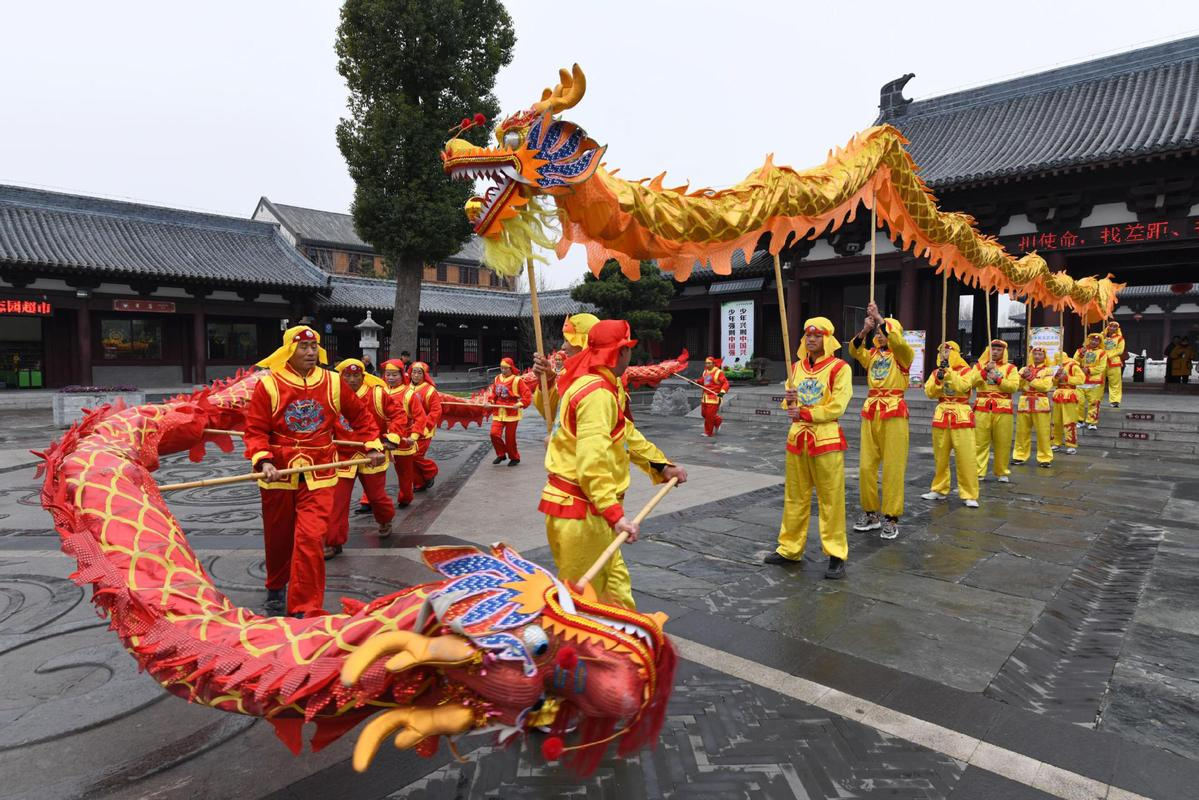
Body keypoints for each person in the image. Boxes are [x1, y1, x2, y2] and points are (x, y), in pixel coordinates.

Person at [539, 319, 687, 608]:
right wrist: (614, 514)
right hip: (583, 514)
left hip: (592, 514)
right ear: (620, 352)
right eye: (629, 349)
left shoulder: (600, 385)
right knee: (583, 611)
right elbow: (591, 462)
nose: (631, 355)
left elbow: (626, 435)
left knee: (618, 598)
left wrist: (661, 465)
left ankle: (626, 651)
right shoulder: (596, 393)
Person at [243, 326, 386, 617]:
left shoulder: (333, 382)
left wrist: (372, 444)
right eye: (302, 347)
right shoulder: (268, 385)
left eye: (313, 347)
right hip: (279, 472)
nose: (310, 352)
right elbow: (255, 430)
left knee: (311, 538)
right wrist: (263, 460)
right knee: (279, 537)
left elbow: (361, 416)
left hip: (321, 471)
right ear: (288, 350)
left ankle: (304, 605)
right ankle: (276, 584)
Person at [766, 318, 852, 579]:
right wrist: (788, 400)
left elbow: (838, 405)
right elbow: (788, 404)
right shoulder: (796, 368)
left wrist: (803, 411)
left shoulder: (840, 368)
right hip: (797, 439)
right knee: (795, 496)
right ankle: (789, 548)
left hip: (825, 440)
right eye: (807, 335)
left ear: (828, 339)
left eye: (817, 335)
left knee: (831, 499)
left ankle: (836, 553)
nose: (811, 339)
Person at [326, 359, 404, 559]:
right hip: (343, 456)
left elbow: (398, 414)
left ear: (363, 376)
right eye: (347, 376)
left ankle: (385, 520)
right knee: (337, 501)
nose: (352, 380)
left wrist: (392, 438)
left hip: (373, 455)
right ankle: (333, 541)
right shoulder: (331, 394)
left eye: (356, 376)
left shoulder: (377, 394)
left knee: (377, 498)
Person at [847, 302, 913, 540]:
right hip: (871, 410)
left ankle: (891, 517)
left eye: (883, 332)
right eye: (878, 333)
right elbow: (855, 351)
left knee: (893, 467)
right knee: (866, 466)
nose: (880, 335)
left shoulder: (904, 355)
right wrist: (865, 330)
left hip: (894, 411)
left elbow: (898, 343)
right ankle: (871, 513)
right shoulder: (872, 355)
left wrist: (879, 318)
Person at [922, 341, 982, 508]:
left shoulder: (967, 371)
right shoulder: (936, 372)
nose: (943, 355)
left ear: (955, 353)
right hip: (942, 414)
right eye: (941, 352)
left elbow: (963, 387)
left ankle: (969, 493)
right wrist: (938, 380)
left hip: (961, 414)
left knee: (966, 457)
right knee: (940, 456)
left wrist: (948, 373)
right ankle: (939, 488)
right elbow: (929, 393)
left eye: (946, 352)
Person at [531, 313, 600, 422]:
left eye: (568, 340)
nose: (563, 347)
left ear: (585, 342)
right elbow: (553, 414)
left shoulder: (603, 379)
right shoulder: (566, 375)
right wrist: (548, 380)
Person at [380, 358, 426, 507]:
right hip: (381, 438)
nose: (391, 378)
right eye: (388, 374)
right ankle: (367, 501)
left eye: (394, 375)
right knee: (372, 471)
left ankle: (405, 497)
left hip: (403, 438)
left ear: (402, 375)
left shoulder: (409, 394)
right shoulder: (379, 391)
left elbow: (420, 417)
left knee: (404, 473)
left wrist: (414, 436)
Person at [973, 339, 1020, 484]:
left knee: (1003, 442)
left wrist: (998, 379)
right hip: (982, 407)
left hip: (1003, 408)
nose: (995, 352)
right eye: (993, 349)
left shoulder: (1011, 368)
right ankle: (978, 471)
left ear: (1004, 351)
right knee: (980, 442)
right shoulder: (979, 366)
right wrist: (984, 371)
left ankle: (1002, 471)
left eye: (999, 350)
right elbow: (971, 382)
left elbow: (1013, 387)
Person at [1012, 346, 1055, 468]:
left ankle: (1045, 458)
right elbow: (1017, 386)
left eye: (1040, 355)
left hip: (1040, 402)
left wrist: (1030, 378)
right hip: (1025, 402)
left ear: (1044, 357)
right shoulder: (1024, 369)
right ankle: (1019, 455)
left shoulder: (1048, 371)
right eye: (1035, 354)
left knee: (1043, 432)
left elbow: (1045, 387)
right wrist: (1021, 377)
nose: (1037, 356)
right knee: (1021, 432)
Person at [487, 357, 532, 465]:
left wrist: (520, 404)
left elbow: (527, 395)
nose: (503, 370)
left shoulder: (517, 380)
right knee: (494, 434)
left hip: (512, 412)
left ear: (510, 368)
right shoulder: (497, 378)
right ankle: (501, 454)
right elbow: (493, 393)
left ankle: (514, 457)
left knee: (510, 438)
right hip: (498, 411)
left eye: (505, 368)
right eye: (501, 368)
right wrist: (490, 401)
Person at [409, 361, 442, 491]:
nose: (416, 375)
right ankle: (418, 483)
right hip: (408, 429)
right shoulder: (406, 388)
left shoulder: (429, 390)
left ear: (424, 374)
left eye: (419, 372)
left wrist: (425, 424)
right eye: (414, 372)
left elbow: (436, 410)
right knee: (409, 458)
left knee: (415, 456)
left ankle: (431, 470)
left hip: (424, 429)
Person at [1051, 350, 1084, 455]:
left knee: (1069, 420)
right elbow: (1053, 382)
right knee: (1056, 421)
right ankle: (1056, 442)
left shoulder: (1073, 366)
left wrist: (1067, 378)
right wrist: (1056, 377)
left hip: (1069, 394)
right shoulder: (1056, 367)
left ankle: (1071, 445)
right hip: (1058, 394)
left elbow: (1081, 379)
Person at [1075, 333, 1108, 430]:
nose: (1094, 342)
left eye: (1096, 340)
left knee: (1094, 403)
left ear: (1100, 342)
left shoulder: (1102, 353)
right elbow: (1074, 362)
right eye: (1092, 340)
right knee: (1079, 402)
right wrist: (1081, 355)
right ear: (1088, 340)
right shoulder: (1080, 350)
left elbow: (1102, 367)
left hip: (1095, 382)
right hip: (1080, 381)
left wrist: (1089, 370)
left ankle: (1091, 422)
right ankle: (1079, 420)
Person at [699, 356, 730, 436]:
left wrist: (722, 392)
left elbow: (725, 383)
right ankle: (718, 420)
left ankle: (708, 432)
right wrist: (695, 381)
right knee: (704, 414)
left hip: (714, 398)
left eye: (709, 363)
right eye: (706, 363)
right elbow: (703, 381)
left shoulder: (718, 372)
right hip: (705, 397)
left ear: (713, 364)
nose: (707, 365)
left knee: (709, 416)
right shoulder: (705, 372)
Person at [1102, 320, 1125, 406]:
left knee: (1115, 382)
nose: (1112, 328)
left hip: (1114, 362)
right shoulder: (1102, 336)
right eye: (1111, 326)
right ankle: (1096, 399)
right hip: (1101, 362)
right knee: (1099, 381)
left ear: (1117, 329)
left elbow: (1120, 350)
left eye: (1115, 327)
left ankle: (1115, 401)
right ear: (1108, 327)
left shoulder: (1120, 338)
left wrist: (1108, 354)